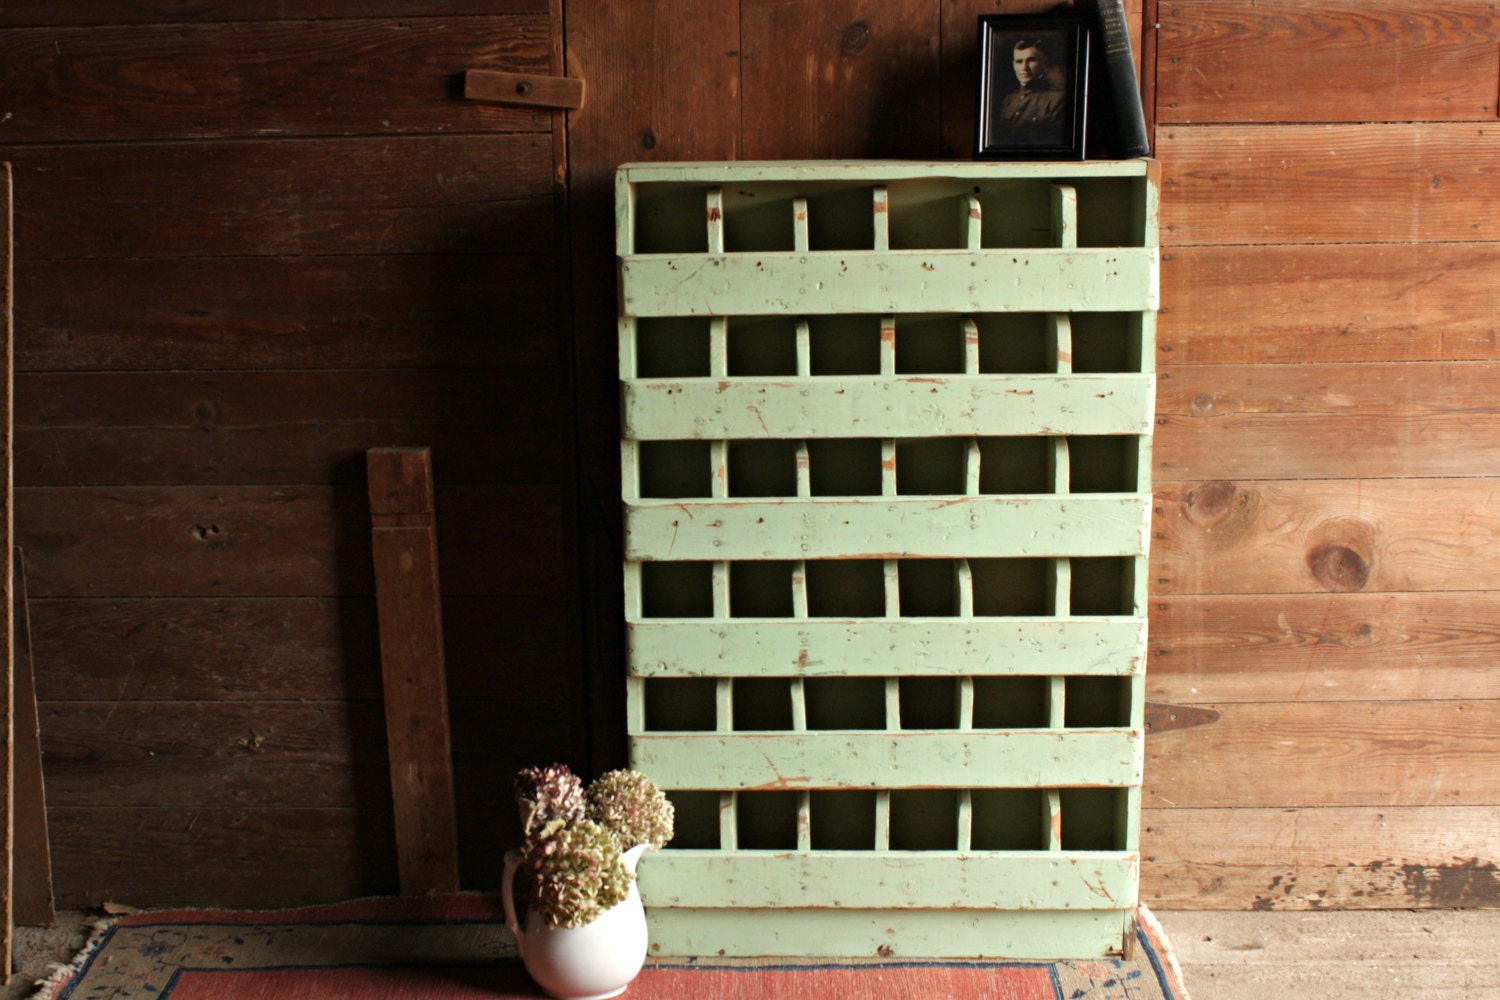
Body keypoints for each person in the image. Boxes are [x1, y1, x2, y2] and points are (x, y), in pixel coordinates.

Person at [996, 37, 1067, 144]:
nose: (1024, 68)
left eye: (1031, 60)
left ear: (1044, 63)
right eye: (1019, 61)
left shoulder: (1057, 100)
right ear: (1013, 65)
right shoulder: (1009, 99)